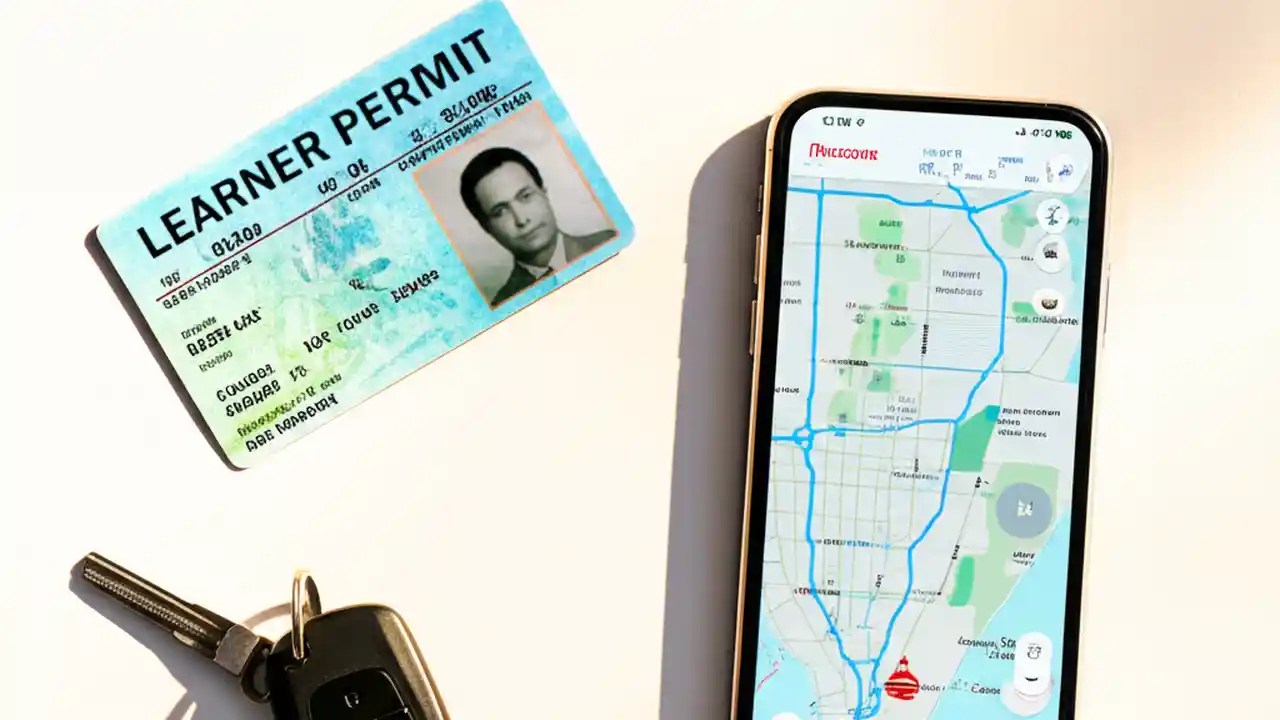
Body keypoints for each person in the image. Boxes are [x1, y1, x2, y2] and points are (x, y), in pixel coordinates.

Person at [459, 146, 616, 306]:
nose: (521, 219)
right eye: (500, 211)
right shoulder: (503, 305)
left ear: (544, 194)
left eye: (525, 196)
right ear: (487, 228)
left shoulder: (610, 242)